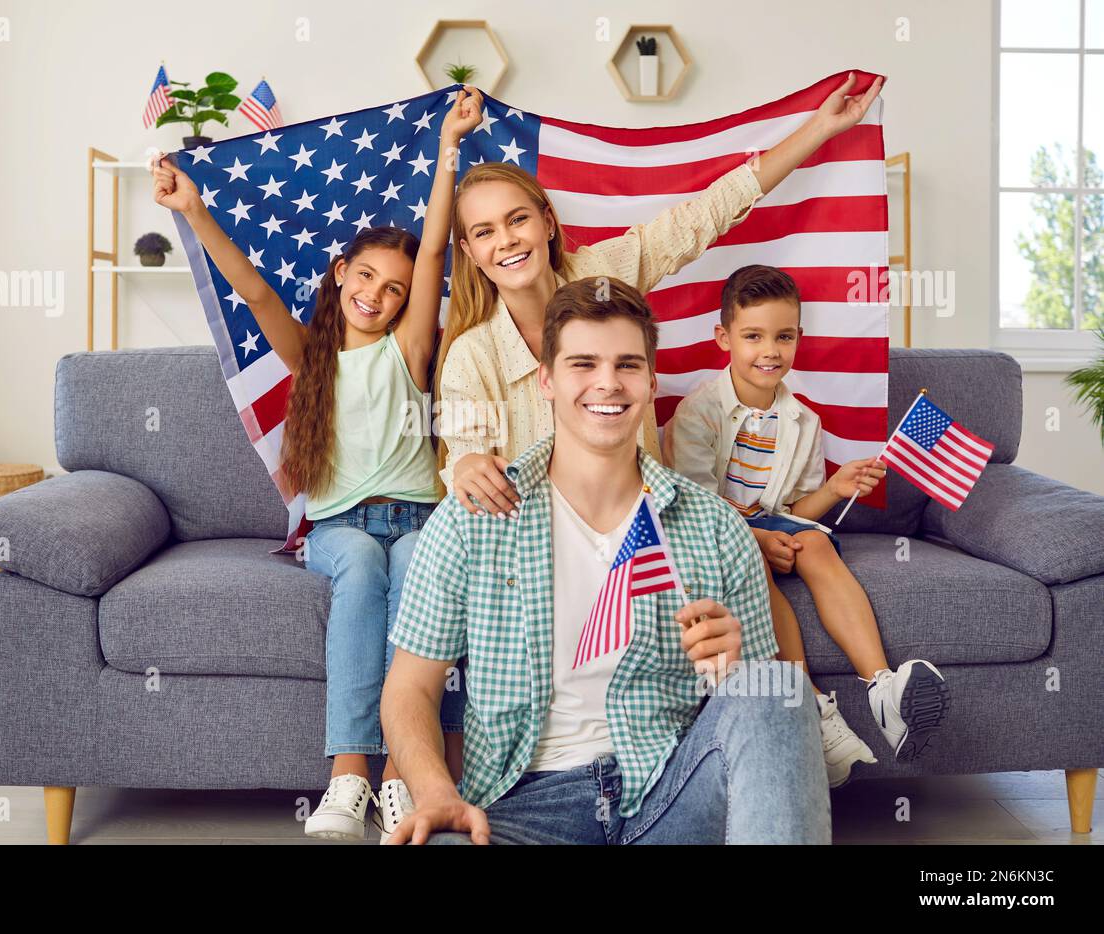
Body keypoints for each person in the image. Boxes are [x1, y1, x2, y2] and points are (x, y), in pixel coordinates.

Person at [379, 276, 829, 844]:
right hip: (525, 806)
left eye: (628, 365)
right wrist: (437, 793)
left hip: (669, 790)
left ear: (650, 380)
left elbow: (763, 731)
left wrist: (731, 668)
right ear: (546, 379)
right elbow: (409, 690)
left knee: (771, 690)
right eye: (583, 364)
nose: (608, 384)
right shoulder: (474, 518)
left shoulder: (717, 528)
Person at [151, 87, 485, 842]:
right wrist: (192, 211)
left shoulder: (411, 353)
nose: (379, 293)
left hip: (420, 519)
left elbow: (435, 249)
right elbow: (254, 291)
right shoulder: (313, 359)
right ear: (341, 273)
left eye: (395, 289)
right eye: (366, 277)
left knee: (414, 575)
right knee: (363, 565)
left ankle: (405, 776)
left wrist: (447, 152)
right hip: (338, 526)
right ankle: (348, 777)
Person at [437, 73, 885, 524]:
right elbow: (467, 455)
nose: (508, 240)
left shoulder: (602, 275)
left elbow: (705, 215)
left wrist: (820, 129)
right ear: (471, 253)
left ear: (548, 224)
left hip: (642, 525)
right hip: (539, 537)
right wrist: (466, 466)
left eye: (518, 220)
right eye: (484, 232)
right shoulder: (472, 355)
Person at [666, 263, 951, 785]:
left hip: (774, 525)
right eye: (753, 336)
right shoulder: (697, 414)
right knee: (754, 558)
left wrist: (836, 490)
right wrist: (756, 537)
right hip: (718, 531)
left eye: (784, 336)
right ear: (723, 337)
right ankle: (812, 705)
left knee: (818, 549)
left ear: (799, 338)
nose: (770, 351)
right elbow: (695, 507)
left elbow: (796, 511)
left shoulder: (804, 421)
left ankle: (882, 687)